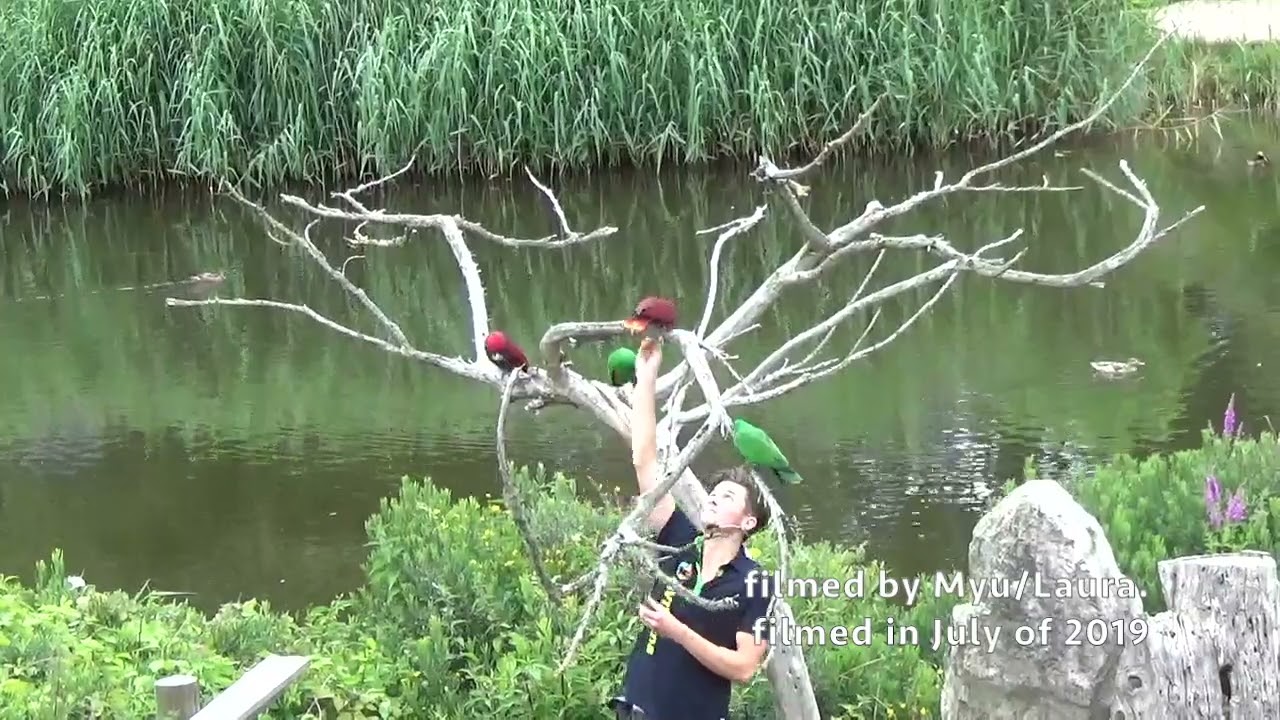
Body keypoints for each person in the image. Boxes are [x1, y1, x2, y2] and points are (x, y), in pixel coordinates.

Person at [608, 337, 775, 720]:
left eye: (728, 496)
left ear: (748, 522)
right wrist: (646, 378)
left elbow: (744, 667)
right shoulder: (680, 539)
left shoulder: (755, 582)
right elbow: (644, 461)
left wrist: (678, 631)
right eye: (714, 492)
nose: (713, 498)